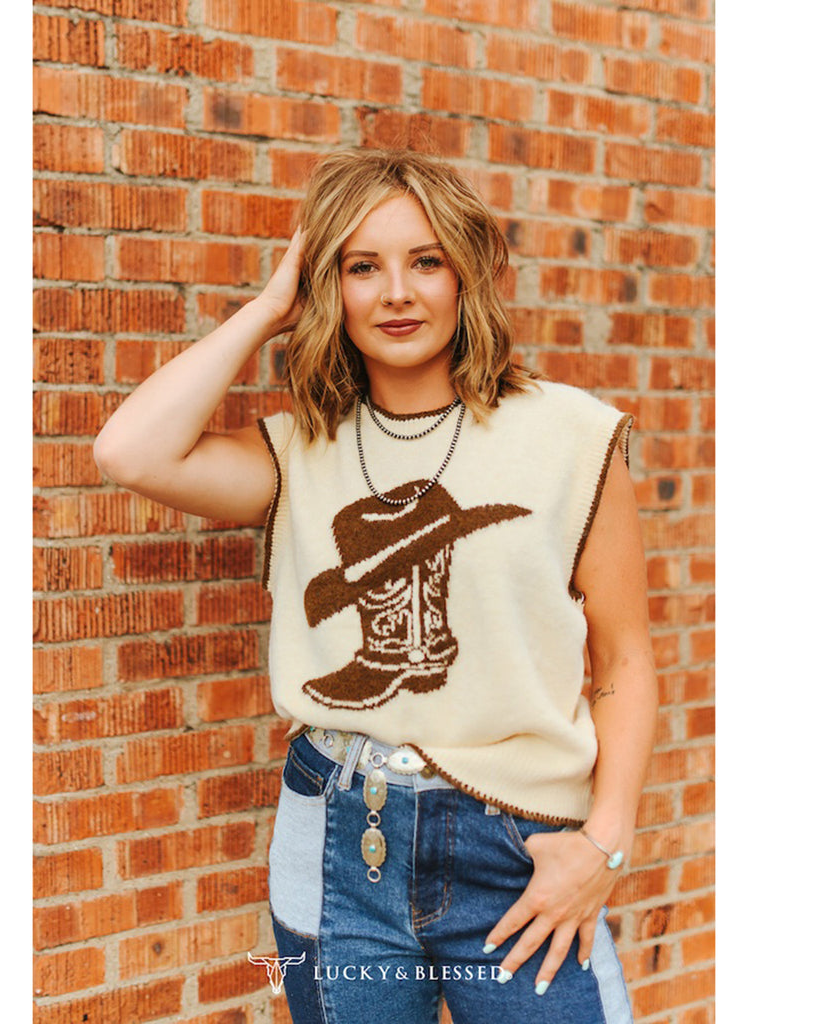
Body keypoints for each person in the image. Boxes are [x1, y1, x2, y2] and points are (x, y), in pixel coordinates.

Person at [94, 148, 658, 1023]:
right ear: (333, 289)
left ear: (466, 275)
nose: (397, 291)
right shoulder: (299, 451)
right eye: (363, 267)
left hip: (517, 851)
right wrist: (268, 307)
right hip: (337, 839)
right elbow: (129, 452)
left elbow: (623, 656)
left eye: (425, 261)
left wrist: (605, 844)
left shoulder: (574, 438)